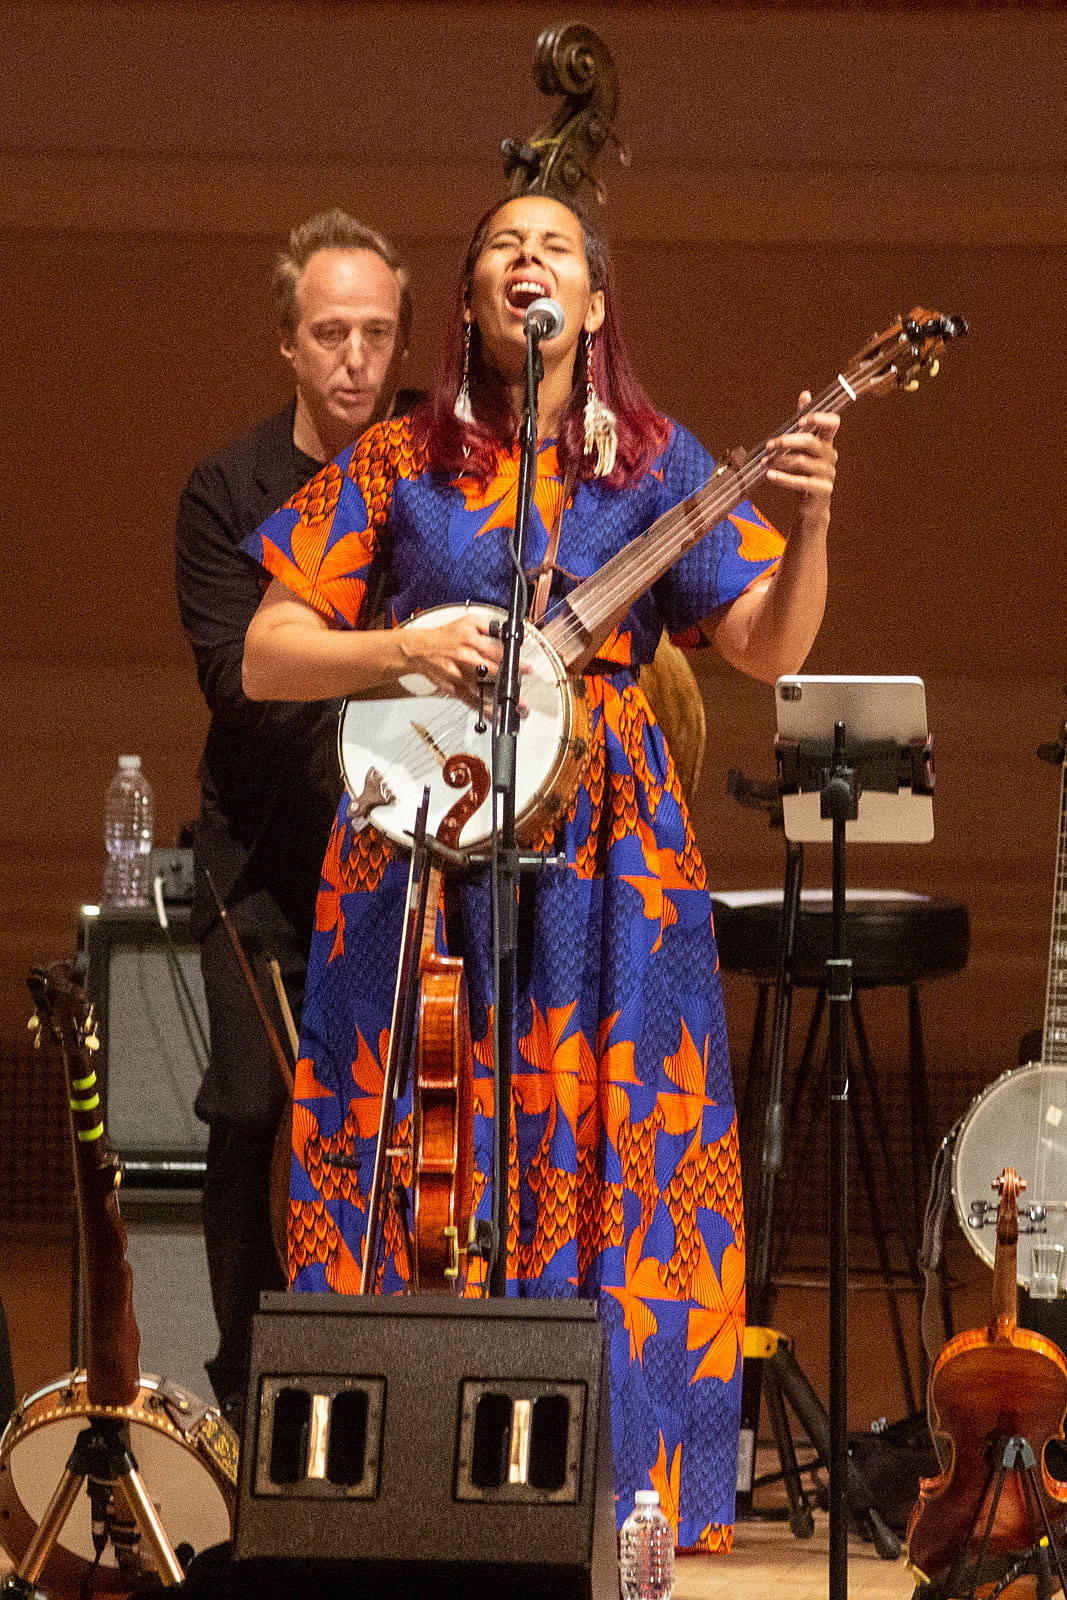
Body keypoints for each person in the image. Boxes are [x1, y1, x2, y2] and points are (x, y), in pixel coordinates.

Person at [240, 193, 839, 1551]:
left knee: (613, 1143)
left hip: (610, 866)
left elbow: (764, 647)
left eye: (555, 245)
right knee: (422, 1153)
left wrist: (806, 528)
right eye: (503, 245)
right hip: (424, 856)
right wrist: (407, 645)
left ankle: (623, 1507)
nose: (528, 261)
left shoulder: (654, 463)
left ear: (595, 302)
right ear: (470, 302)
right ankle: (393, 1496)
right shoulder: (403, 460)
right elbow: (270, 650)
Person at [175, 208, 416, 1423]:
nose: (356, 360)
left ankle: (388, 1369)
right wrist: (405, 660)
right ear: (287, 343)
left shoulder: (433, 462)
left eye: (377, 333)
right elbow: (247, 684)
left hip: (410, 857)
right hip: (266, 859)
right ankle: (244, 1382)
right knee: (254, 1110)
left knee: (399, 1119)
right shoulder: (227, 492)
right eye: (330, 333)